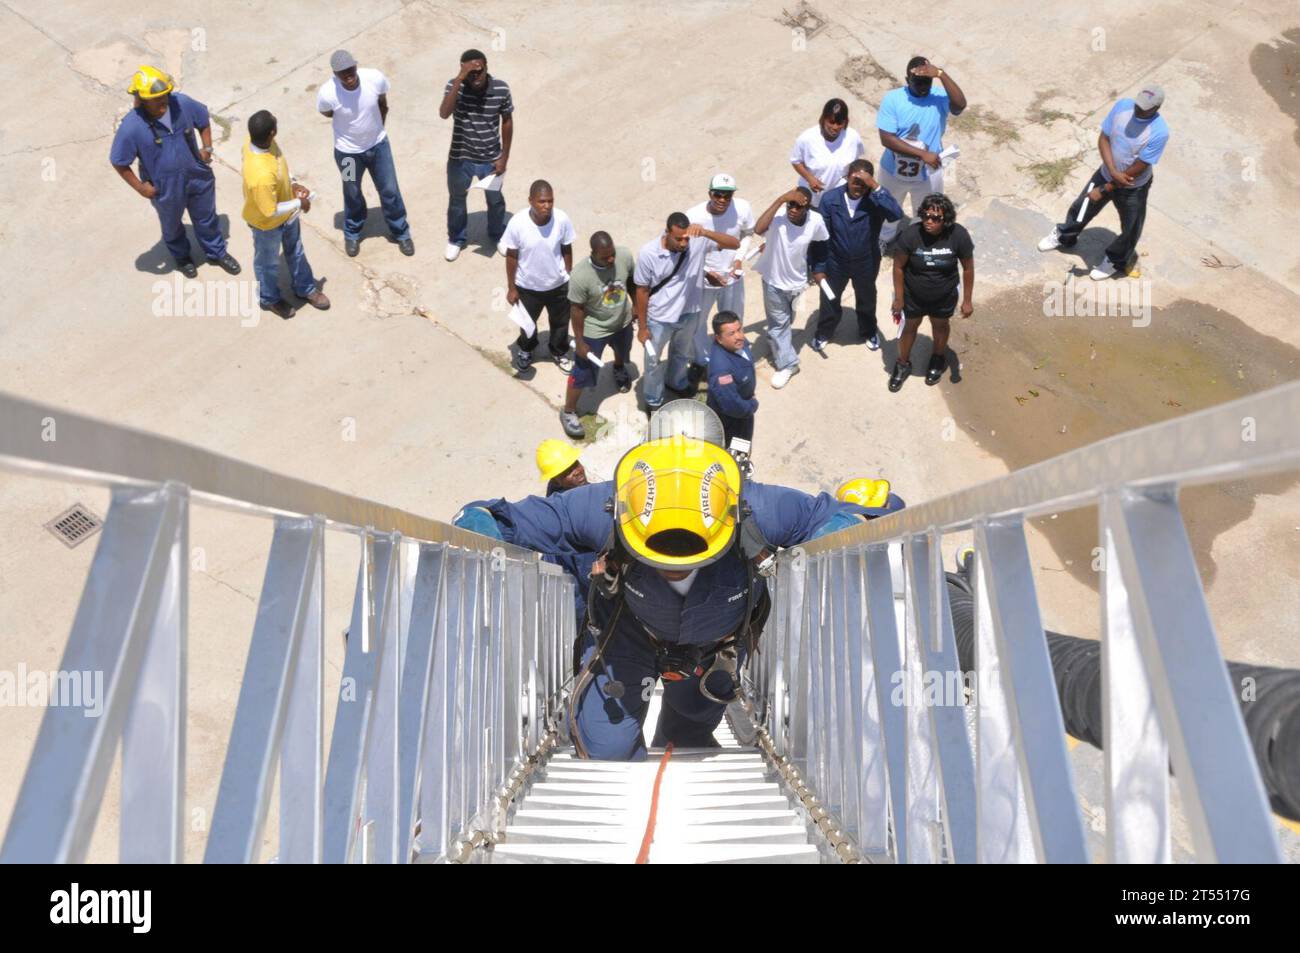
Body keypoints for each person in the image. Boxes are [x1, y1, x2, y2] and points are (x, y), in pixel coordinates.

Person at [453, 403, 883, 760]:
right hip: (630, 632)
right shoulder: (608, 505)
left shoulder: (757, 508)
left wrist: (842, 535)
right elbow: (513, 518)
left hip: (715, 647)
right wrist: (475, 528)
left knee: (690, 733)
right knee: (608, 753)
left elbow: (828, 517)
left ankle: (681, 733)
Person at [109, 66, 240, 279]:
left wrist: (207, 148)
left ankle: (216, 252)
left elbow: (203, 119)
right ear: (141, 99)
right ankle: (182, 258)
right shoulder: (132, 126)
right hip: (165, 187)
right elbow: (119, 161)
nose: (164, 101)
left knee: (206, 217)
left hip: (197, 176)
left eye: (165, 95)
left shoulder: (182, 104)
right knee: (171, 224)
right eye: (157, 98)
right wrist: (141, 188)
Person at [1038, 86, 1170, 280]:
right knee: (1082, 206)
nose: (1138, 109)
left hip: (1134, 187)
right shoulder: (1123, 106)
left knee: (1131, 227)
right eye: (1138, 104)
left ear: (1156, 107)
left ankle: (1115, 260)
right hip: (1106, 174)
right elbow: (1104, 138)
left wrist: (1107, 187)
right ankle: (1065, 236)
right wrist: (1113, 172)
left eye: (1144, 108)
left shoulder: (1159, 132)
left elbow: (1140, 166)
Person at [633, 214, 739, 412]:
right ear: (667, 233)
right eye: (678, 238)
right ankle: (654, 401)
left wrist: (706, 232)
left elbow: (734, 244)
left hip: (690, 312)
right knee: (653, 362)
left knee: (681, 353)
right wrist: (643, 327)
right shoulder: (648, 253)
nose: (684, 243)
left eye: (686, 238)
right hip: (659, 318)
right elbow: (642, 290)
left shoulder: (697, 241)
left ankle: (676, 382)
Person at [317, 50, 413, 258]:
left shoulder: (374, 79)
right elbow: (326, 112)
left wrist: (376, 132)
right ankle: (352, 232)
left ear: (356, 66)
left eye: (351, 69)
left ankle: (401, 232)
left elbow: (382, 104)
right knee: (351, 192)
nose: (349, 75)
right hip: (347, 154)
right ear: (335, 74)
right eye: (343, 73)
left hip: (378, 147)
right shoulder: (327, 93)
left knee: (390, 190)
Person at [241, 110, 330, 320]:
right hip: (267, 224)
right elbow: (270, 210)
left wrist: (293, 183)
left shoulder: (261, 142)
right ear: (272, 132)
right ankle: (269, 298)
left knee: (296, 251)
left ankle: (305, 288)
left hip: (287, 215)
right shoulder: (260, 175)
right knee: (267, 263)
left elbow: (279, 163)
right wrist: (299, 202)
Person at [809, 159, 903, 354]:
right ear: (847, 178)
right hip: (835, 262)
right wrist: (818, 267)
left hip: (867, 261)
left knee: (867, 298)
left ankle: (868, 331)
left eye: (864, 182)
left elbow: (895, 214)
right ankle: (824, 332)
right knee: (829, 299)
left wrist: (876, 188)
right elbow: (820, 237)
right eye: (855, 180)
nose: (859, 186)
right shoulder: (830, 199)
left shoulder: (876, 199)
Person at [876, 56, 967, 248]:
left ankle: (915, 242)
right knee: (888, 209)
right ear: (907, 79)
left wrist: (941, 74)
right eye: (918, 81)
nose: (923, 86)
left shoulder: (939, 96)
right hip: (893, 171)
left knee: (925, 212)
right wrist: (922, 155)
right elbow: (887, 138)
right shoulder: (893, 99)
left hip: (928, 174)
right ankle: (884, 238)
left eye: (927, 80)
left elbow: (960, 105)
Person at [889, 193, 973, 391]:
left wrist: (967, 300)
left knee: (940, 325)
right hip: (913, 296)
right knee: (910, 327)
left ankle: (937, 358)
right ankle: (902, 363)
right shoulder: (911, 234)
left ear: (946, 220)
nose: (929, 221)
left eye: (935, 218)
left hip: (944, 296)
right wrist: (899, 298)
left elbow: (968, 268)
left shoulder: (958, 235)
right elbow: (898, 267)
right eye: (925, 216)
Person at [439, 49, 513, 262]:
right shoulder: (456, 87)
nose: (476, 77)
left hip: (491, 159)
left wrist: (504, 157)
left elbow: (507, 121)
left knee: (495, 200)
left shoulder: (500, 89)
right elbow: (444, 113)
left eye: (478, 71)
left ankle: (497, 233)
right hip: (460, 159)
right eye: (470, 73)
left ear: (486, 67)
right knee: (457, 200)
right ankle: (456, 239)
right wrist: (459, 79)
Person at [752, 187, 829, 389]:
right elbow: (758, 229)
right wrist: (780, 199)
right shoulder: (777, 218)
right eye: (790, 204)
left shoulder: (816, 221)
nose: (792, 209)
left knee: (788, 320)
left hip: (797, 284)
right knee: (779, 324)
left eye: (798, 206)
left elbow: (821, 244)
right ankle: (788, 364)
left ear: (807, 207)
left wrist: (818, 270)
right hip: (773, 282)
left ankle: (778, 340)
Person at [563, 232, 636, 437]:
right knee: (583, 371)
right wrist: (580, 341)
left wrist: (636, 305)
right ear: (593, 253)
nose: (611, 260)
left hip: (623, 321)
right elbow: (576, 310)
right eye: (605, 257)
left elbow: (631, 280)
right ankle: (568, 410)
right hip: (595, 329)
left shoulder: (624, 256)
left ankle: (619, 368)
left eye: (612, 254)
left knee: (623, 350)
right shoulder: (580, 275)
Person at [686, 174, 755, 380]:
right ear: (709, 194)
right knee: (698, 323)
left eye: (728, 195)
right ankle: (703, 361)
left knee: (734, 319)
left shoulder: (742, 207)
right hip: (704, 281)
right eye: (718, 194)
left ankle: (734, 355)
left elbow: (748, 233)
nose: (722, 200)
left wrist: (738, 259)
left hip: (732, 278)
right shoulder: (693, 215)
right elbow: (686, 253)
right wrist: (706, 273)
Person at [505, 180, 575, 373]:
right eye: (542, 201)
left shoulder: (562, 219)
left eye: (550, 201)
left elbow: (566, 246)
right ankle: (527, 349)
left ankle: (559, 351)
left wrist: (568, 274)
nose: (547, 206)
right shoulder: (517, 223)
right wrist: (512, 288)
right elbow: (511, 256)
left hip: (558, 285)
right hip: (527, 287)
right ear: (530, 201)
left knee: (561, 323)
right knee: (527, 324)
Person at [790, 98, 865, 211]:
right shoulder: (806, 138)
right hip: (812, 198)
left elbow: (856, 161)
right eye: (831, 122)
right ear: (823, 119)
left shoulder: (853, 137)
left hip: (837, 199)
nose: (835, 127)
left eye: (839, 123)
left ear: (845, 122)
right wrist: (810, 178)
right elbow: (796, 161)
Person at [706, 311, 758, 450]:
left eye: (739, 329)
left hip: (743, 402)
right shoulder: (722, 371)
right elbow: (732, 405)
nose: (739, 336)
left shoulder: (736, 343)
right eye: (731, 334)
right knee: (738, 449)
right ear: (719, 338)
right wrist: (752, 406)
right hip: (734, 418)